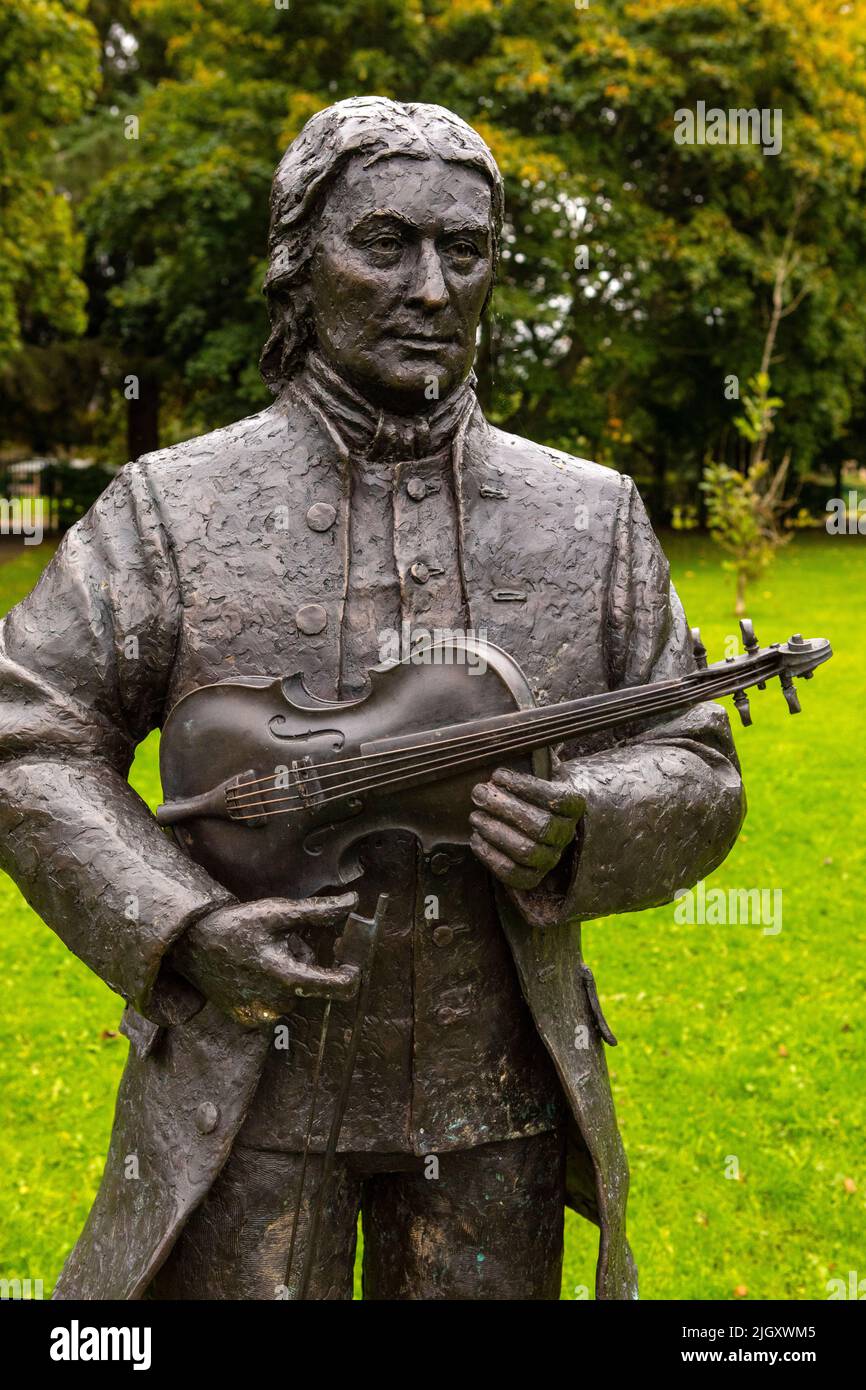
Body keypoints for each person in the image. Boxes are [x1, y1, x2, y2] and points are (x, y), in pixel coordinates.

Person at [0, 97, 744, 1300]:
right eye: (386, 245)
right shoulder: (171, 508)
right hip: (251, 1096)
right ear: (300, 268)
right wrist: (180, 930)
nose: (433, 288)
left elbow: (695, 757)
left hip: (497, 1099)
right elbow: (25, 732)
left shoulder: (586, 516)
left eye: (465, 251)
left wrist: (587, 820)